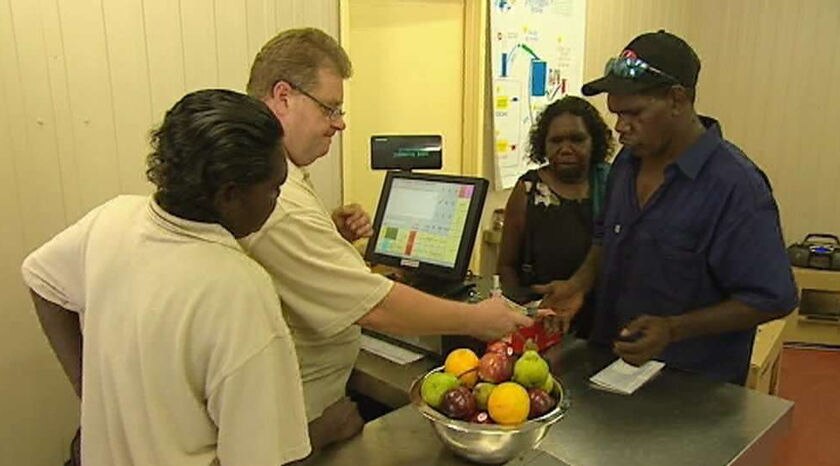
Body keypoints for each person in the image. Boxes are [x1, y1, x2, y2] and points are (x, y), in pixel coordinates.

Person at [243, 27, 542, 448]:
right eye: (330, 108)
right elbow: (375, 307)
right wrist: (476, 319)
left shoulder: (281, 180)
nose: (340, 123)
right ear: (283, 97)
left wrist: (329, 234)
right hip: (297, 420)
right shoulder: (281, 199)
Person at [22, 90, 310, 465]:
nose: (277, 201)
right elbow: (265, 456)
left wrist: (89, 391)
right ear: (229, 194)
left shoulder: (112, 219)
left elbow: (41, 279)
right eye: (274, 188)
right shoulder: (240, 290)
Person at [540, 30, 798, 384]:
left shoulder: (736, 187)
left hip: (693, 389)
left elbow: (774, 298)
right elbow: (605, 238)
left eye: (633, 113)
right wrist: (579, 284)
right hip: (609, 369)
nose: (619, 127)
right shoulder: (626, 164)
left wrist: (673, 329)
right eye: (615, 113)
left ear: (677, 100)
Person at [497, 96, 615, 338]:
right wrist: (525, 314)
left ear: (594, 142)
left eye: (577, 139)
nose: (565, 148)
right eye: (556, 140)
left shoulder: (612, 185)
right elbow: (506, 266)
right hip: (541, 323)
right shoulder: (528, 190)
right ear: (544, 144)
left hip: (602, 322)